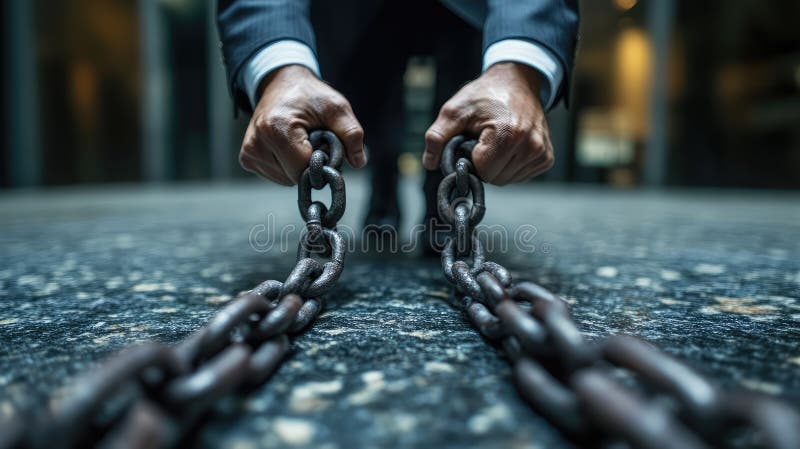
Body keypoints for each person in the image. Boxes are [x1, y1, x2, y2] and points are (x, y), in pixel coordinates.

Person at [216, 0, 579, 248]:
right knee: (376, 87)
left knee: (464, 95)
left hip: (471, 10)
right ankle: (384, 189)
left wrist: (518, 65)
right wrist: (279, 67)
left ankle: (446, 202)